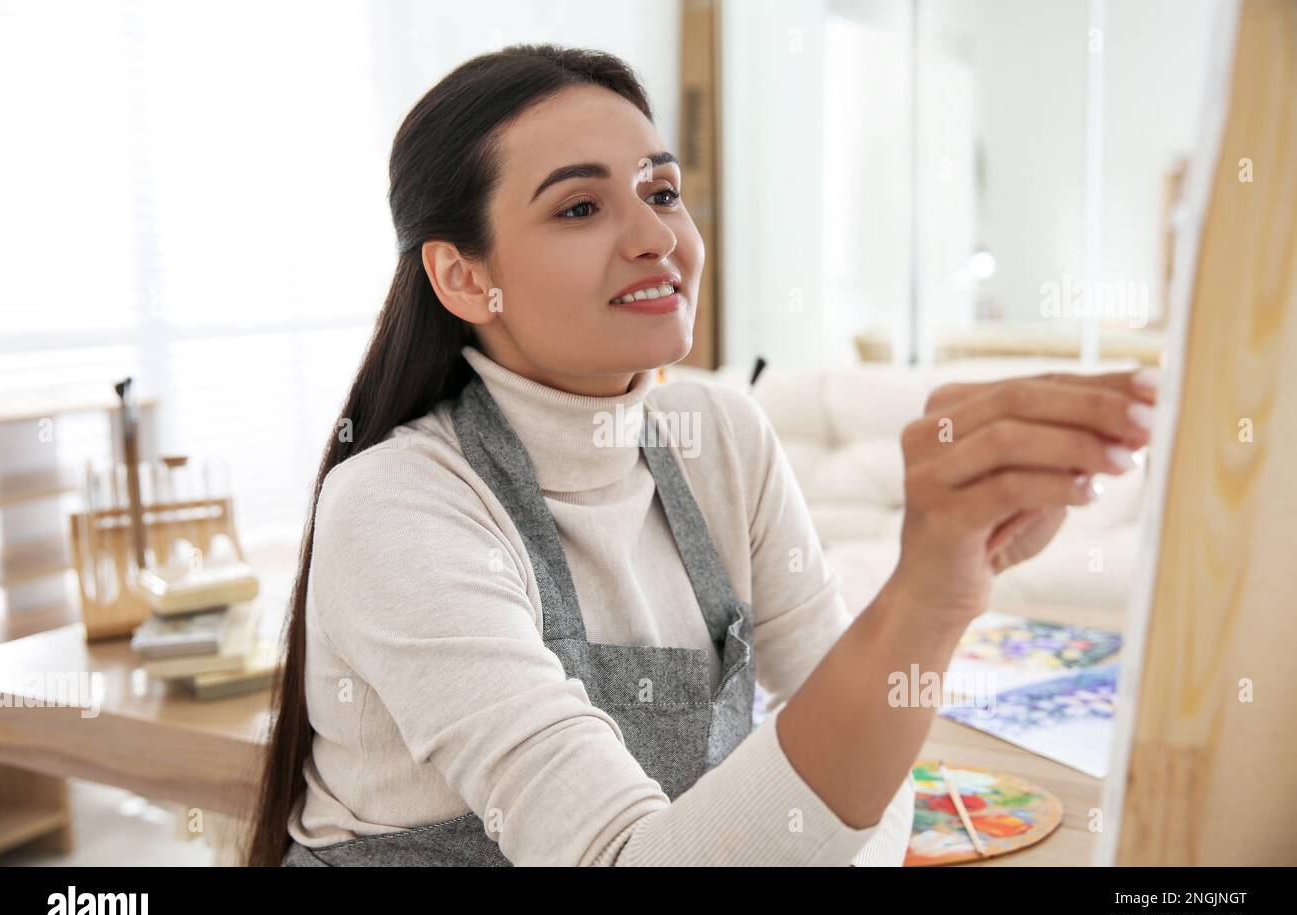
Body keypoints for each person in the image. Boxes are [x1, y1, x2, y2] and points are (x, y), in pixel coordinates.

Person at [246, 43, 1157, 867]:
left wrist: (953, 585)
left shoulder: (723, 438)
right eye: (580, 206)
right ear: (463, 277)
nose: (655, 238)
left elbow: (869, 788)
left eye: (663, 192)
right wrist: (925, 595)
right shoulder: (398, 505)